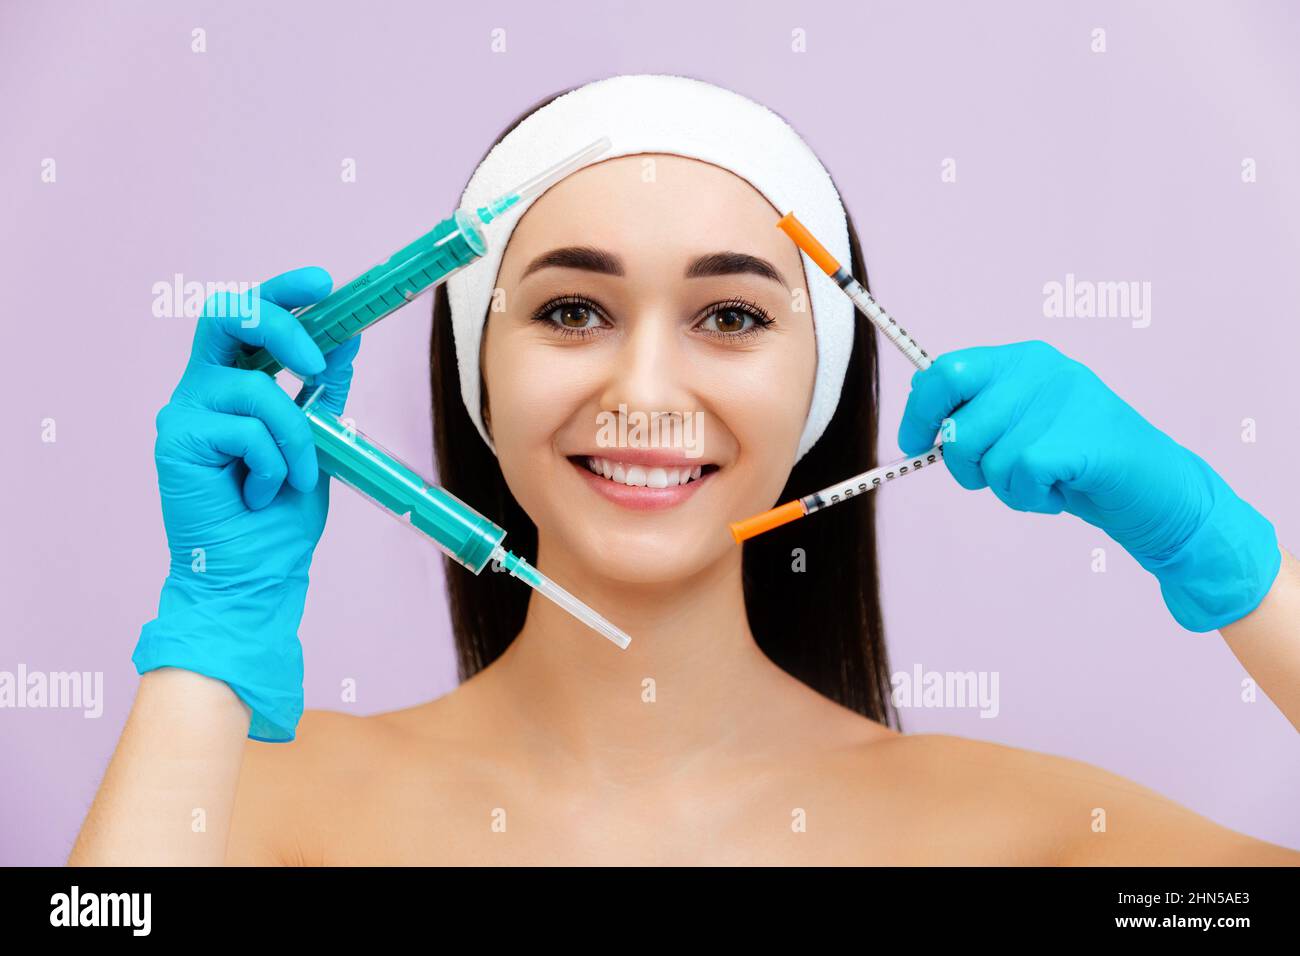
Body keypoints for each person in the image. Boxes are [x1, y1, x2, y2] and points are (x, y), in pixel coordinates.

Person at [70, 74, 1299, 866]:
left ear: (820, 386)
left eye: (729, 317)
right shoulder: (259, 806)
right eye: (569, 311)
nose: (645, 390)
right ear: (476, 372)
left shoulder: (1037, 841)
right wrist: (207, 643)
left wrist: (1223, 557)